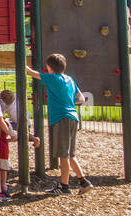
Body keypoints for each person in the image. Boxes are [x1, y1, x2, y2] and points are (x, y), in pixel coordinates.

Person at [27, 53, 90, 194]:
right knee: (70, 154)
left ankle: (64, 186)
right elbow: (81, 99)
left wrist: (20, 61)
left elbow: (31, 73)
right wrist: (67, 102)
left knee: (63, 155)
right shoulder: (70, 79)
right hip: (73, 117)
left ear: (49, 67)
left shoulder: (52, 78)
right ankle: (83, 182)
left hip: (61, 118)